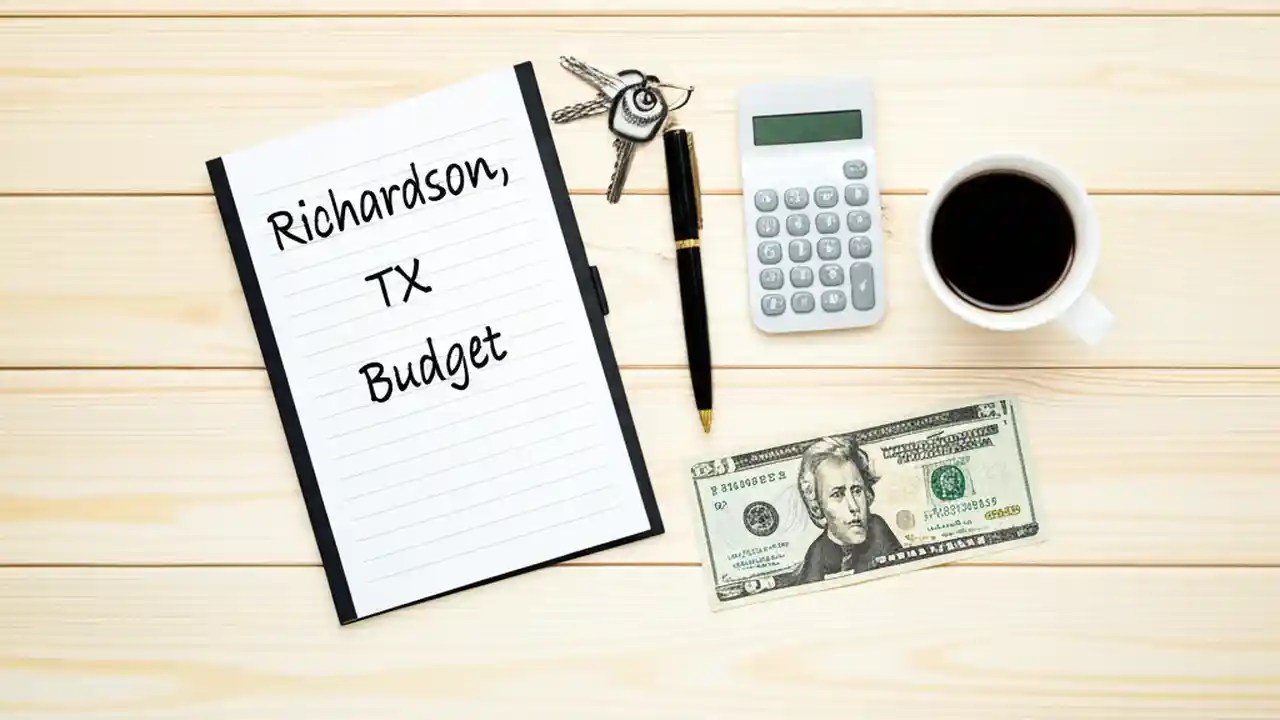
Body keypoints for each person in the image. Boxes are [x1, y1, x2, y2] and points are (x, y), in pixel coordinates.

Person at [793, 436, 902, 584]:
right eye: (837, 495)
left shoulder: (878, 531)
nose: (854, 506)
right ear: (817, 506)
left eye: (857, 491)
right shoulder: (816, 556)